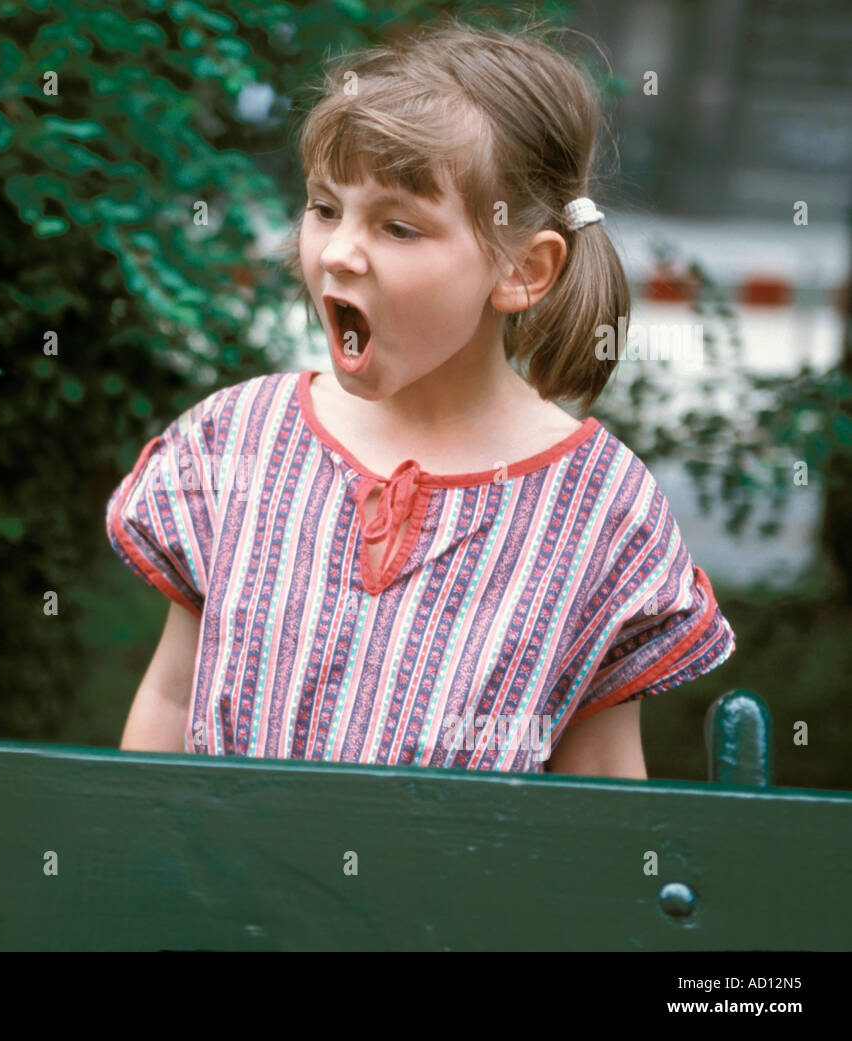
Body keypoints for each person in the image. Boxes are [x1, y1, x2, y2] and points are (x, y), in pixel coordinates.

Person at [105, 21, 735, 778]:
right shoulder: (235, 441)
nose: (338, 251)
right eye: (325, 208)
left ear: (523, 271)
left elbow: (597, 797)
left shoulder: (602, 509)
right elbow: (172, 703)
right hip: (220, 894)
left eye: (399, 226)